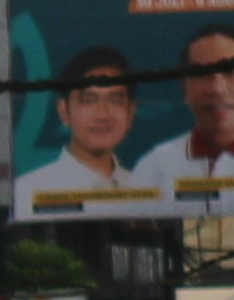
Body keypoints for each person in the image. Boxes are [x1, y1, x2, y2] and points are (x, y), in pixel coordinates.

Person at [120, 25, 234, 218]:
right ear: (184, 88)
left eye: (231, 72)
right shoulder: (154, 167)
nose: (217, 88)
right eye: (202, 73)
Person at [10, 47, 147, 218]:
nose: (103, 114)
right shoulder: (29, 190)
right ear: (64, 111)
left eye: (115, 100)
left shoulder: (145, 188)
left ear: (131, 113)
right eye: (88, 100)